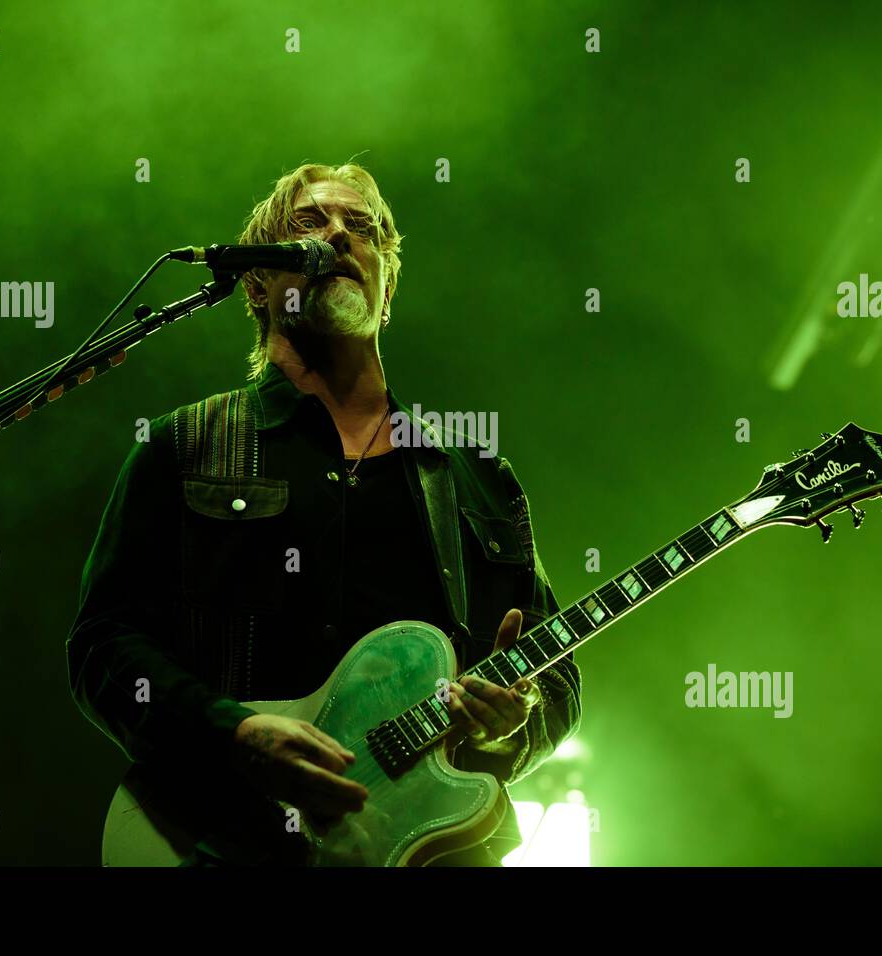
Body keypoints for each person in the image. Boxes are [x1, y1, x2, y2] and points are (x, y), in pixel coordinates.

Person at [66, 161, 581, 866]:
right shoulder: (185, 447)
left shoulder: (474, 475)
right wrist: (233, 736)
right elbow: (104, 647)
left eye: (362, 228)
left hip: (434, 847)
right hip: (221, 840)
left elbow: (555, 679)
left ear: (387, 289)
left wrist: (507, 728)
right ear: (258, 282)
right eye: (309, 224)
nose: (339, 235)